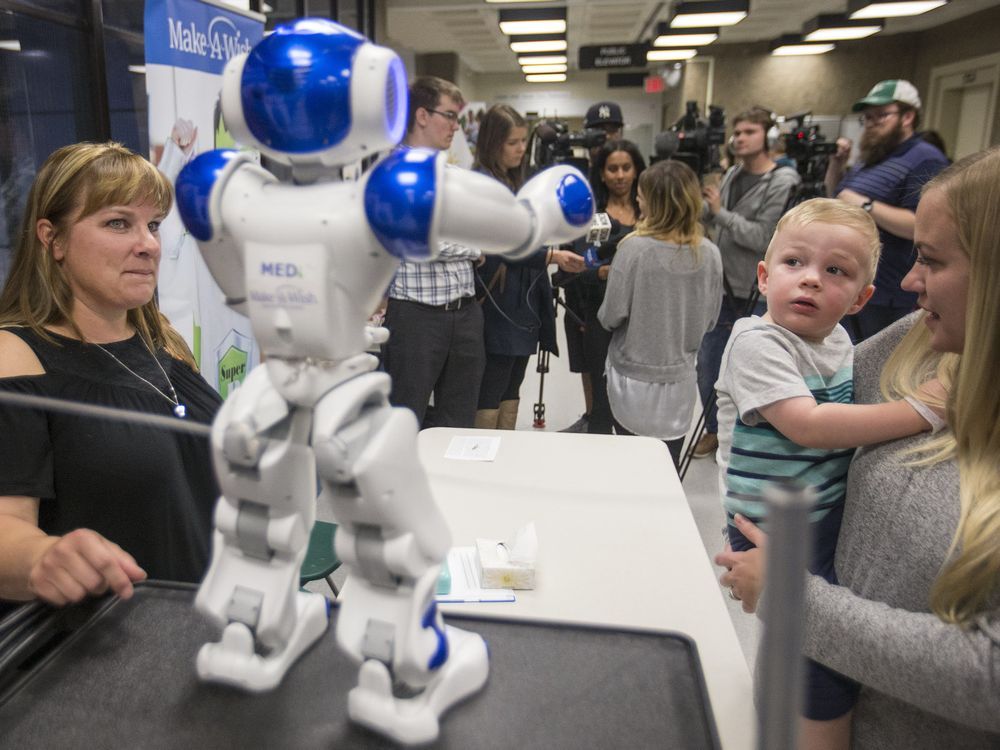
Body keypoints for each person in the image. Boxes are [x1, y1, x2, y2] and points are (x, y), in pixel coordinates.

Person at [714, 197, 945, 748]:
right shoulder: (756, 341)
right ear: (765, 276)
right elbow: (808, 425)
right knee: (814, 658)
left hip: (823, 512)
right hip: (774, 526)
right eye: (794, 263)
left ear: (862, 298)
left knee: (815, 647)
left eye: (835, 271)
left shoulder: (838, 340)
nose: (811, 281)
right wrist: (921, 410)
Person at [0, 142, 221, 608]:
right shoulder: (17, 358)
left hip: (205, 625)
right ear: (52, 238)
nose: (148, 244)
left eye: (154, 225)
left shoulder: (162, 340)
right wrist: (44, 555)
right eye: (118, 223)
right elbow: (6, 528)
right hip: (109, 650)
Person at [597, 160, 722, 468]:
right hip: (678, 385)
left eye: (642, 194)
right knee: (667, 467)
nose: (637, 199)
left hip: (631, 383)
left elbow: (610, 315)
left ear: (653, 201)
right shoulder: (710, 253)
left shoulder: (632, 250)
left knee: (630, 466)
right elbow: (710, 321)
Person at [694, 107, 801, 459]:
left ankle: (744, 438)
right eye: (736, 132)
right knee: (709, 362)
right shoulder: (733, 174)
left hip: (757, 290)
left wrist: (721, 212)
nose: (739, 138)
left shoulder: (782, 181)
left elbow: (762, 237)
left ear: (768, 137)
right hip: (720, 287)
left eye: (749, 131)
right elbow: (716, 220)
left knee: (750, 366)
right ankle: (713, 430)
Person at [382, 76, 485, 428]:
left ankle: (453, 484)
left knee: (459, 420)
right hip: (416, 318)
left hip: (466, 313)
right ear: (422, 116)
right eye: (450, 116)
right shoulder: (394, 172)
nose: (457, 127)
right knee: (405, 419)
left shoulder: (455, 174)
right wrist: (472, 246)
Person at [472, 105, 583, 430]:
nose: (522, 149)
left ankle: (503, 447)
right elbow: (501, 244)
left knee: (512, 384)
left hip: (522, 301)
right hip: (499, 301)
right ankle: (484, 457)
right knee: (492, 386)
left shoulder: (513, 181)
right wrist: (551, 257)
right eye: (512, 143)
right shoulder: (482, 185)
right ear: (493, 143)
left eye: (523, 141)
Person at [825, 79, 949, 342]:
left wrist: (866, 205)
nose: (871, 123)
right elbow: (837, 198)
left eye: (881, 115)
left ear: (908, 116)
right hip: (850, 282)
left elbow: (922, 225)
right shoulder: (871, 158)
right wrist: (837, 166)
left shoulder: (925, 158)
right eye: (867, 117)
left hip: (886, 292)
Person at [557, 140, 646, 434]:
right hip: (596, 315)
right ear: (602, 174)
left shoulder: (651, 214)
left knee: (636, 402)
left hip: (644, 318)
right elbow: (570, 269)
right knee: (601, 397)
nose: (620, 175)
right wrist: (603, 273)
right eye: (612, 169)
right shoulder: (587, 215)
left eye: (626, 168)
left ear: (636, 171)